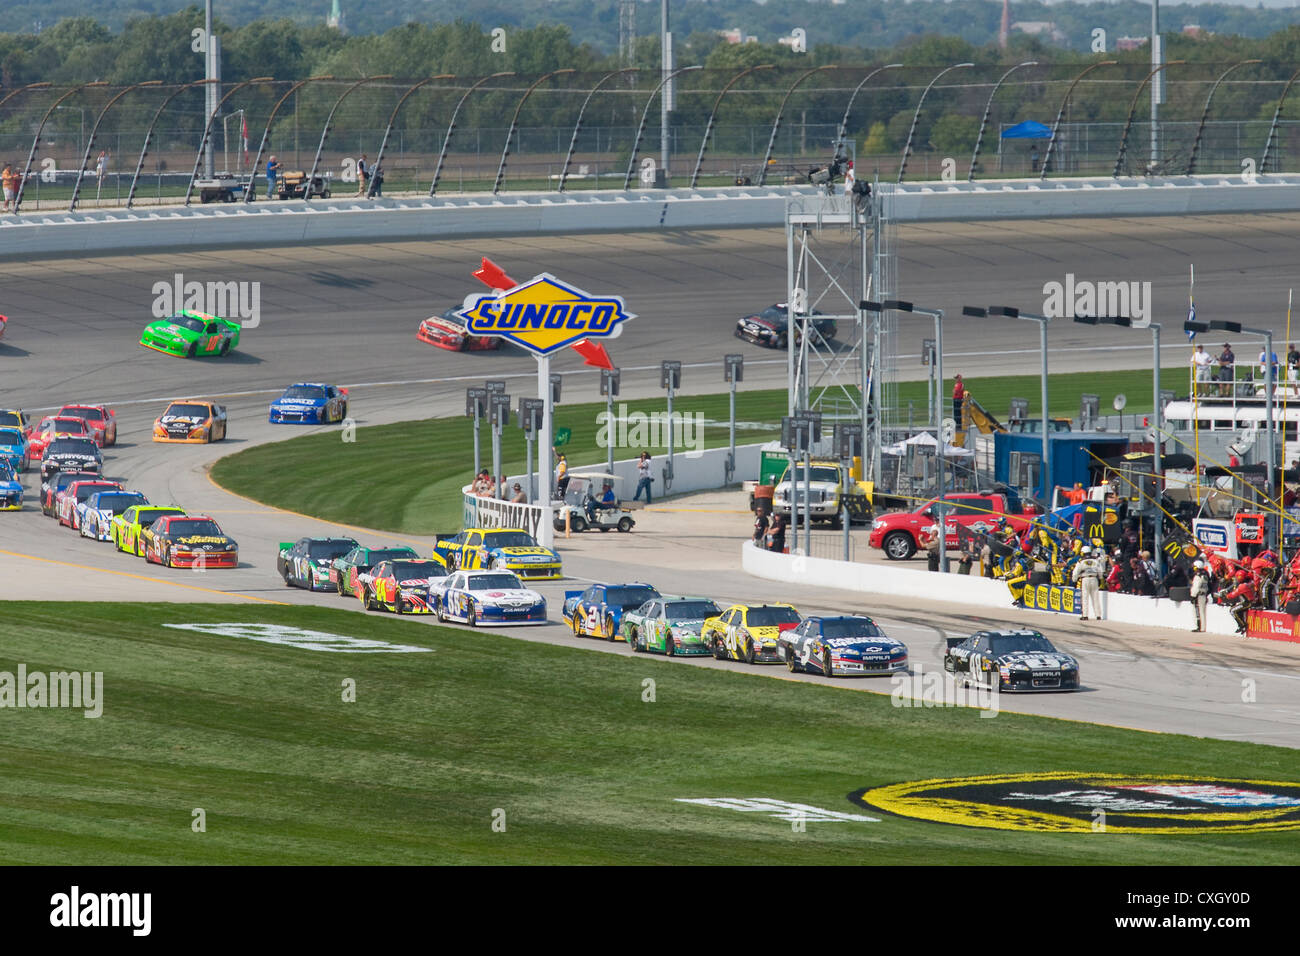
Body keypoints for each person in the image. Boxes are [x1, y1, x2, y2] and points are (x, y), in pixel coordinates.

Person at [1072, 545, 1105, 620]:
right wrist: (1100, 578)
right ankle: (1098, 615)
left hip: (1085, 579)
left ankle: (1085, 615)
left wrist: (1074, 580)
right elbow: (1100, 570)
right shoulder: (1095, 560)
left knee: (1085, 597)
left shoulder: (1081, 561)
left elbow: (1076, 572)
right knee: (1095, 597)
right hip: (1094, 579)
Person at [1189, 560, 1211, 632]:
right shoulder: (1205, 575)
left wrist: (1193, 596)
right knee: (1202, 612)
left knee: (1198, 612)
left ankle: (1199, 627)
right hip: (1203, 595)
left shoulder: (1198, 576)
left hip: (1198, 595)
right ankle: (1202, 627)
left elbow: (1196, 587)